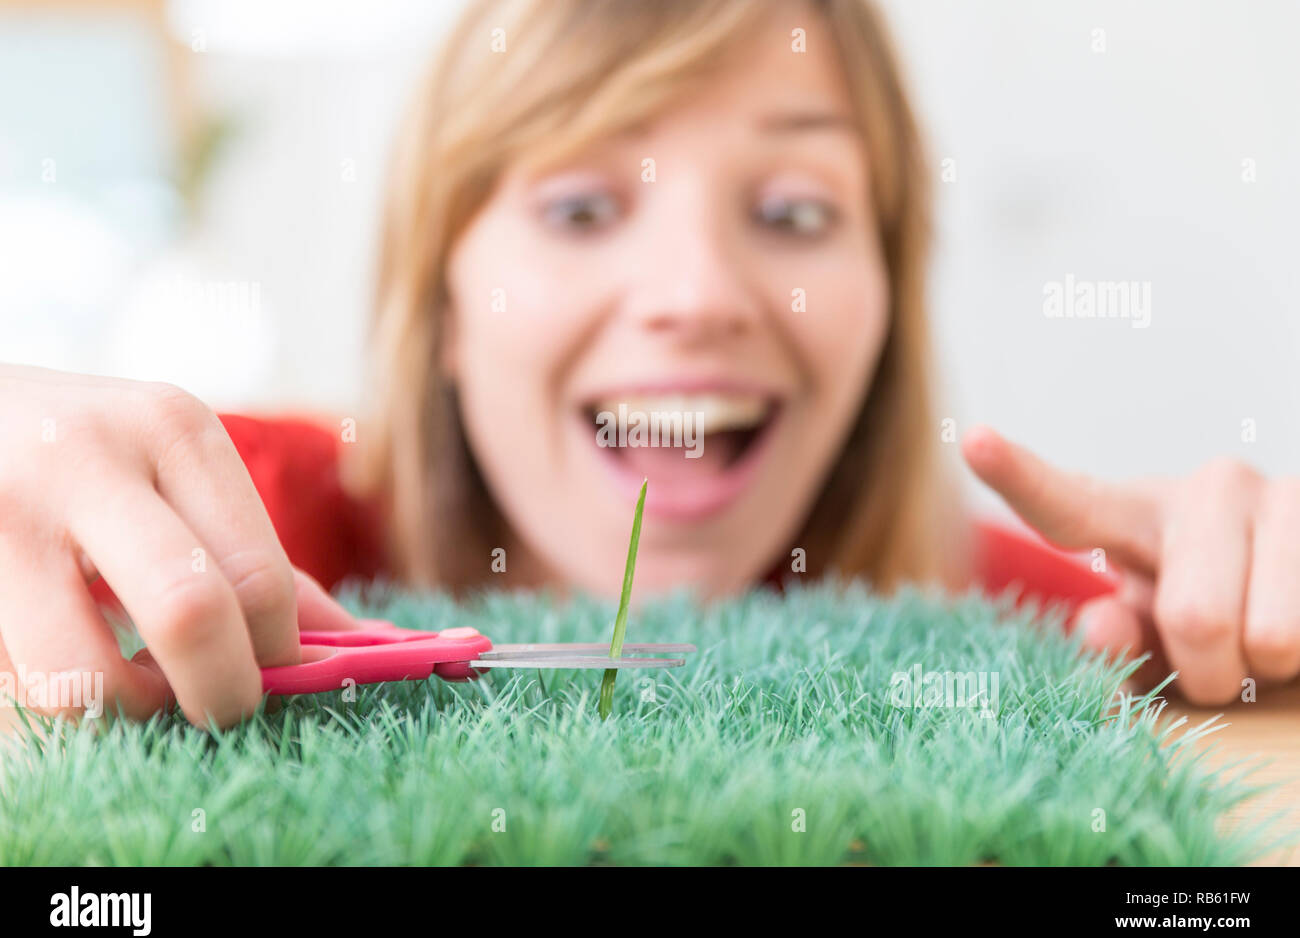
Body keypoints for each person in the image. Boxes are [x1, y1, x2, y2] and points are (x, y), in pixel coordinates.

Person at [1, 0, 1293, 728]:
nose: (696, 298)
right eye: (578, 210)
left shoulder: (1034, 620)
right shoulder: (228, 524)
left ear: (887, 303)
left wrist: (1251, 609)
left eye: (792, 212)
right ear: (445, 300)